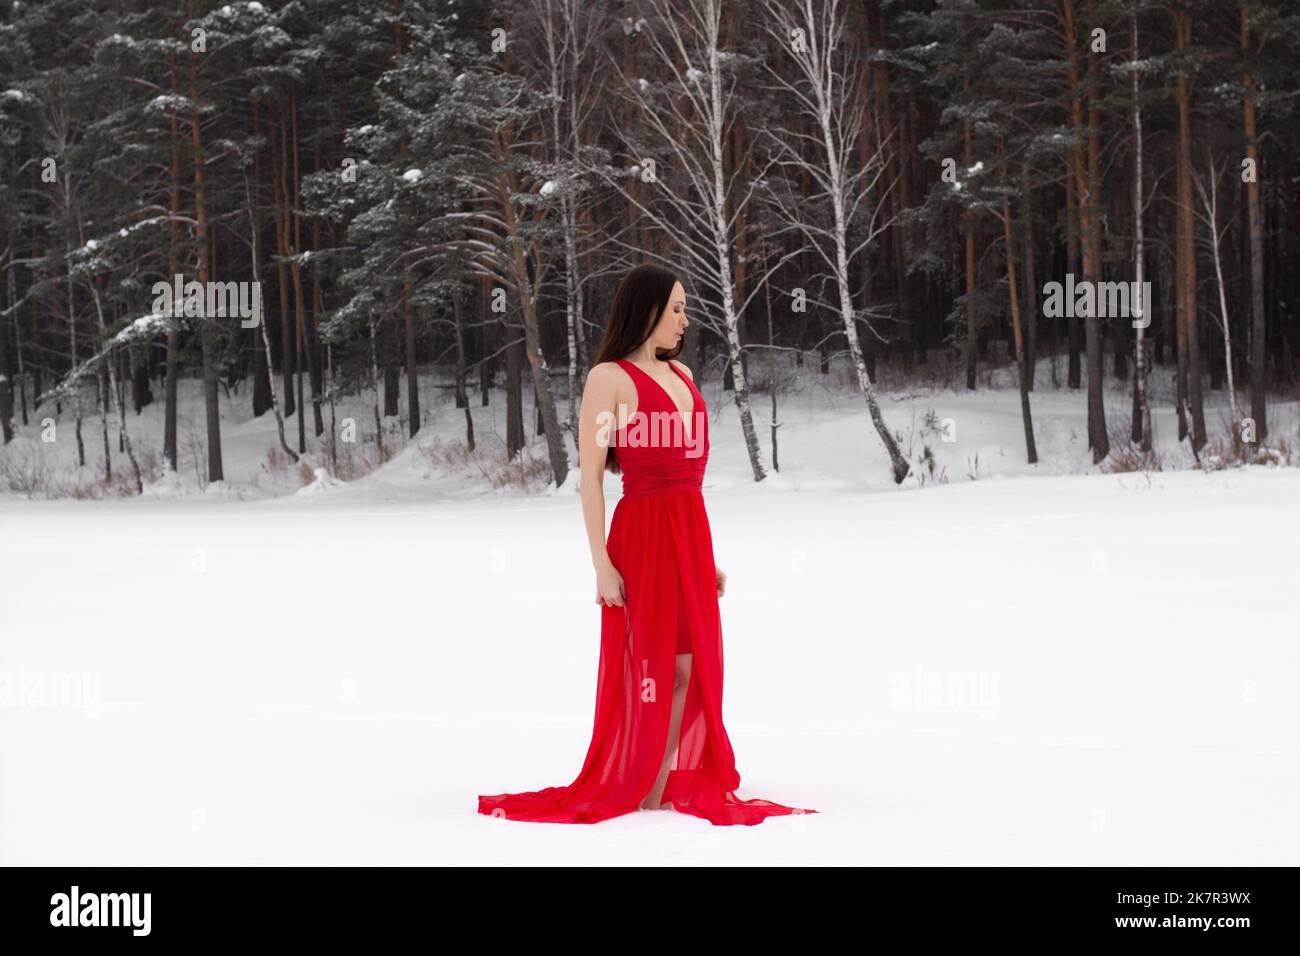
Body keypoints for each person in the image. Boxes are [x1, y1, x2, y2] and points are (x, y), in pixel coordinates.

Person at [477, 263, 815, 825]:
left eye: (685, 309)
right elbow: (589, 478)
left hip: (690, 534)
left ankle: (654, 788)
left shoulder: (681, 376)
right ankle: (640, 786)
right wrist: (601, 565)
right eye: (677, 309)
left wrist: (706, 560)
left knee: (688, 667)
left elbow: (688, 478)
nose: (685, 319)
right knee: (652, 666)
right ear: (649, 310)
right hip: (641, 537)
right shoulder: (608, 378)